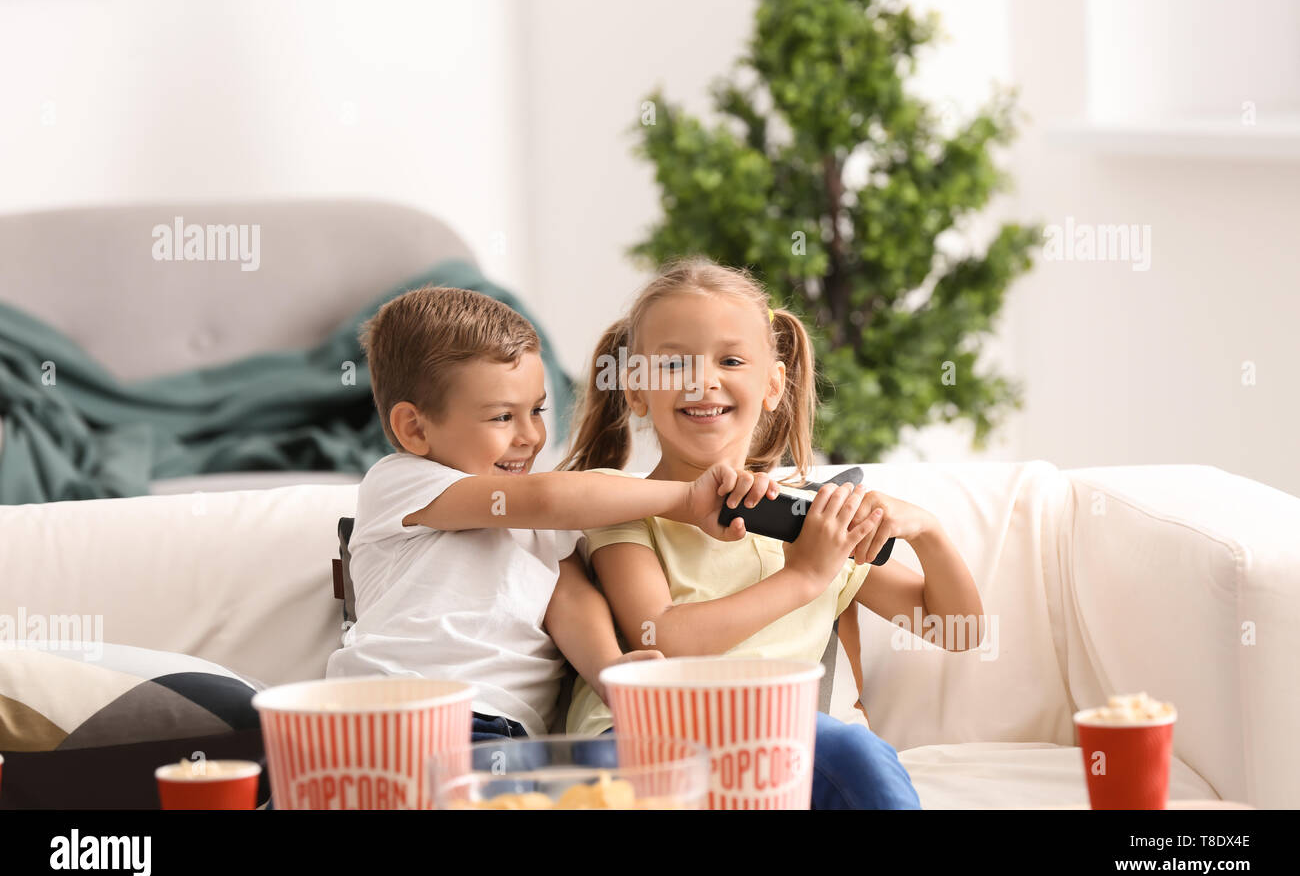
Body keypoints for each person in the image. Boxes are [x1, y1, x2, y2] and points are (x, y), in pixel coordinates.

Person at [561, 257, 985, 809]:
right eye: (672, 366)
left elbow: (958, 632)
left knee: (852, 751)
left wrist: (927, 532)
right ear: (636, 392)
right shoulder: (621, 505)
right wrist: (806, 576)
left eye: (731, 360)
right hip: (645, 742)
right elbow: (661, 635)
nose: (702, 380)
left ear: (773, 385)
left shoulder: (815, 522)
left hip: (772, 754)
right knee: (845, 749)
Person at [324, 285, 779, 744]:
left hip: (497, 731)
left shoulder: (545, 523)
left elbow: (572, 602)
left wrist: (611, 675)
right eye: (502, 417)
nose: (531, 437)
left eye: (537, 410)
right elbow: (545, 498)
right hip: (382, 708)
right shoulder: (402, 483)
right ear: (414, 428)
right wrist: (682, 500)